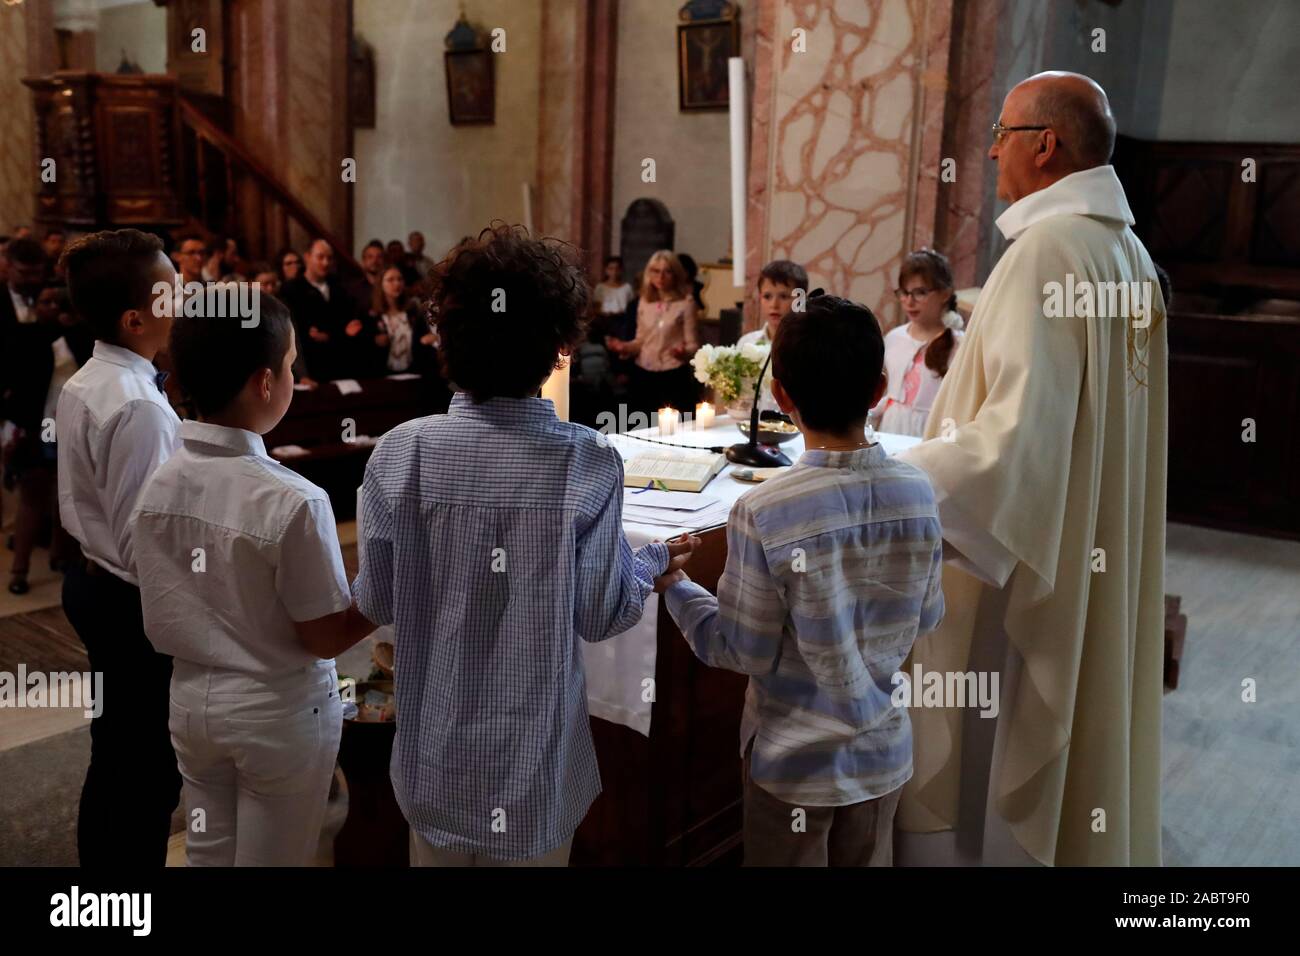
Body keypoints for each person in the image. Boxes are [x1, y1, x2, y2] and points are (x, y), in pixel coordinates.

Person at [352, 224, 694, 866]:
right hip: (532, 761)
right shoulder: (586, 462)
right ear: (560, 345)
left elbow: (374, 597)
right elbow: (599, 615)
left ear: (444, 335)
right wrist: (647, 563)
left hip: (436, 753)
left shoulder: (404, 452)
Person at [893, 71, 1167, 867]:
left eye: (1003, 133)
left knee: (1000, 740)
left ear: (1044, 145)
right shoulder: (1129, 254)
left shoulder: (1047, 250)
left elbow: (1010, 444)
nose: (988, 150)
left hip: (1028, 556)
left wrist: (896, 473)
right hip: (1085, 540)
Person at [657, 293, 945, 866]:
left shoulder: (766, 509)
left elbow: (742, 647)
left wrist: (677, 588)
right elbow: (928, 615)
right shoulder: (917, 490)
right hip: (881, 755)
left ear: (781, 396)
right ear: (878, 387)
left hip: (794, 764)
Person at [130, 293, 374, 866]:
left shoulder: (160, 483)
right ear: (266, 383)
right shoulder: (293, 500)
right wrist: (382, 597)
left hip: (191, 701)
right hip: (276, 711)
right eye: (291, 366)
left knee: (209, 855)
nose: (293, 376)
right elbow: (322, 636)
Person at [55, 229, 183, 866]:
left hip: (92, 580)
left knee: (116, 748)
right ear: (136, 319)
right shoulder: (138, 406)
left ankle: (102, 883)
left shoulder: (91, 378)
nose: (184, 298)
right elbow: (147, 542)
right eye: (171, 291)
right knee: (147, 768)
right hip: (128, 599)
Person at [3, 284, 92, 594]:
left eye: (58, 302)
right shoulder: (25, 336)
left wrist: (71, 328)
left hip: (70, 427)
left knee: (64, 495)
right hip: (34, 427)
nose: (52, 306)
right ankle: (19, 569)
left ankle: (61, 555)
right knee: (32, 496)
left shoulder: (80, 336)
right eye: (45, 301)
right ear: (35, 305)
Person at [870, 249, 965, 437]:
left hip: (932, 433)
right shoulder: (894, 338)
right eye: (904, 293)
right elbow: (890, 395)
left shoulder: (960, 345)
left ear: (945, 294)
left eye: (920, 292)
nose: (909, 301)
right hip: (892, 428)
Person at [605, 250, 700, 415]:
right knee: (640, 427)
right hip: (643, 374)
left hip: (673, 375)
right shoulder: (644, 301)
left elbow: (693, 345)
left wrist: (683, 352)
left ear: (676, 274)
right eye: (656, 271)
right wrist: (624, 347)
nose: (660, 277)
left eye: (667, 271)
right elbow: (640, 341)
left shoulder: (686, 303)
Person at [279, 238, 362, 381]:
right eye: (320, 257)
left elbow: (347, 326)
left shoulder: (339, 289)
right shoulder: (291, 290)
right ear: (307, 257)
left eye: (329, 258)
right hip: (310, 367)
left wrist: (331, 335)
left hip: (340, 366)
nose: (325, 263)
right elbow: (292, 332)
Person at [735, 259, 809, 415]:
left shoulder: (808, 344)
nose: (774, 305)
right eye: (767, 296)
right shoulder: (748, 342)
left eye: (783, 296)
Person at [369, 265, 433, 375]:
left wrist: (427, 339)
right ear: (381, 284)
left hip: (412, 373)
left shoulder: (412, 313)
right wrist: (375, 341)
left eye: (400, 279)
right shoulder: (373, 316)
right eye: (391, 280)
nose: (397, 283)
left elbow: (422, 340)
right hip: (383, 375)